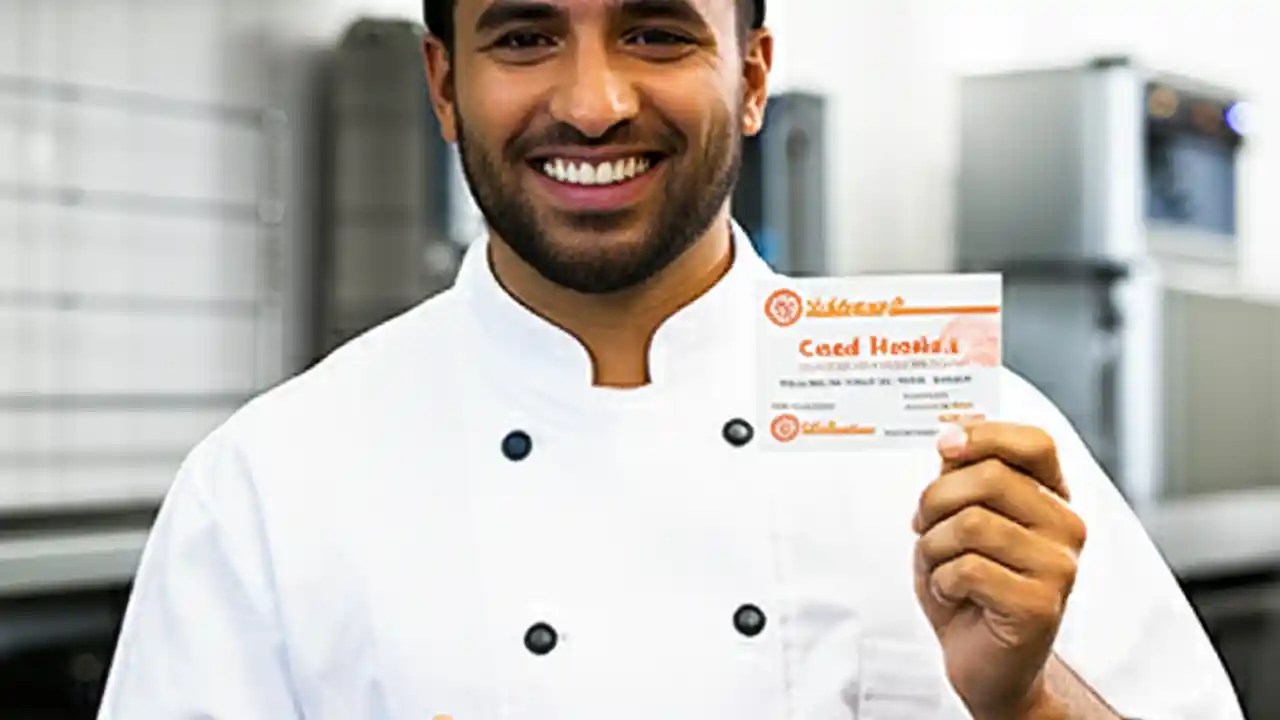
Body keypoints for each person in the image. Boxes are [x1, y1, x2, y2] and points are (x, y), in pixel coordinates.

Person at [99, 0, 1243, 718]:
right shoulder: (267, 485)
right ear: (444, 85)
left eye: (655, 31)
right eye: (524, 36)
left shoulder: (971, 429)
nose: (592, 104)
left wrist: (1026, 701)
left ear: (751, 77)